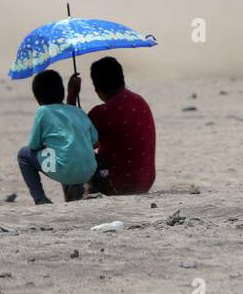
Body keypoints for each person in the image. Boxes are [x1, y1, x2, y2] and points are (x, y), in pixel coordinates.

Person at [67, 56, 156, 194]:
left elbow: (74, 141)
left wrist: (71, 99)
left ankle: (73, 200)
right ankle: (91, 191)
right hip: (145, 181)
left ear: (97, 89)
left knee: (69, 153)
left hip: (119, 184)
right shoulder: (139, 101)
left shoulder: (101, 113)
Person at [18, 69, 98, 205]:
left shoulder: (43, 111)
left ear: (37, 98)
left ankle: (40, 199)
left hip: (63, 169)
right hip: (89, 171)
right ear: (62, 91)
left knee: (23, 155)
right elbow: (94, 139)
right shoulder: (78, 111)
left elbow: (33, 146)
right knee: (69, 153)